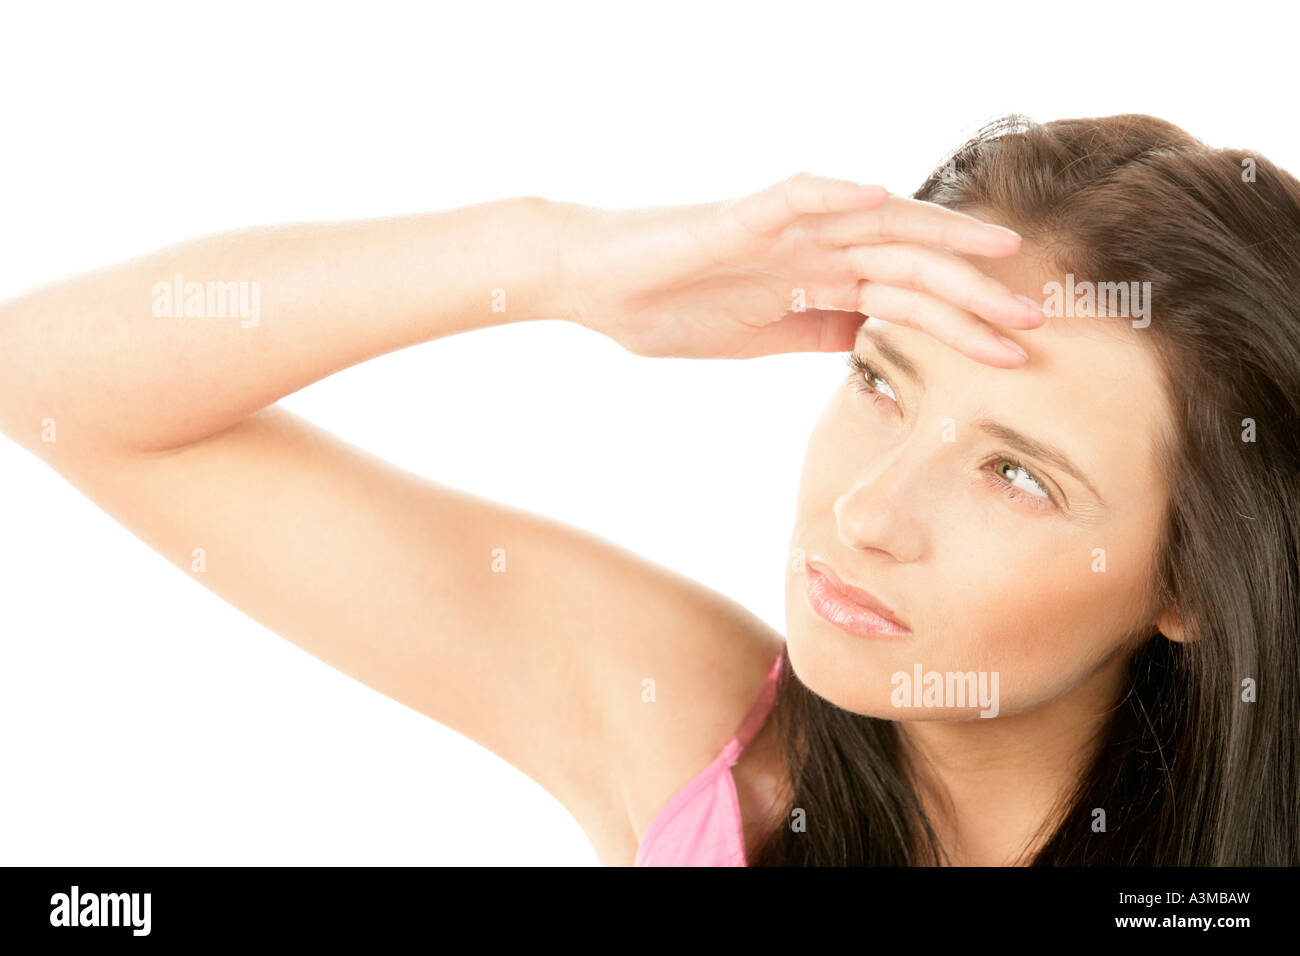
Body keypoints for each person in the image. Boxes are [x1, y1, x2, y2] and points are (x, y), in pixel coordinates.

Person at [3, 112, 1296, 866]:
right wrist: (557, 262)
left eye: (1019, 474)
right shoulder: (700, 747)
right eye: (884, 385)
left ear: (1191, 579)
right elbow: (45, 379)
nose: (867, 516)